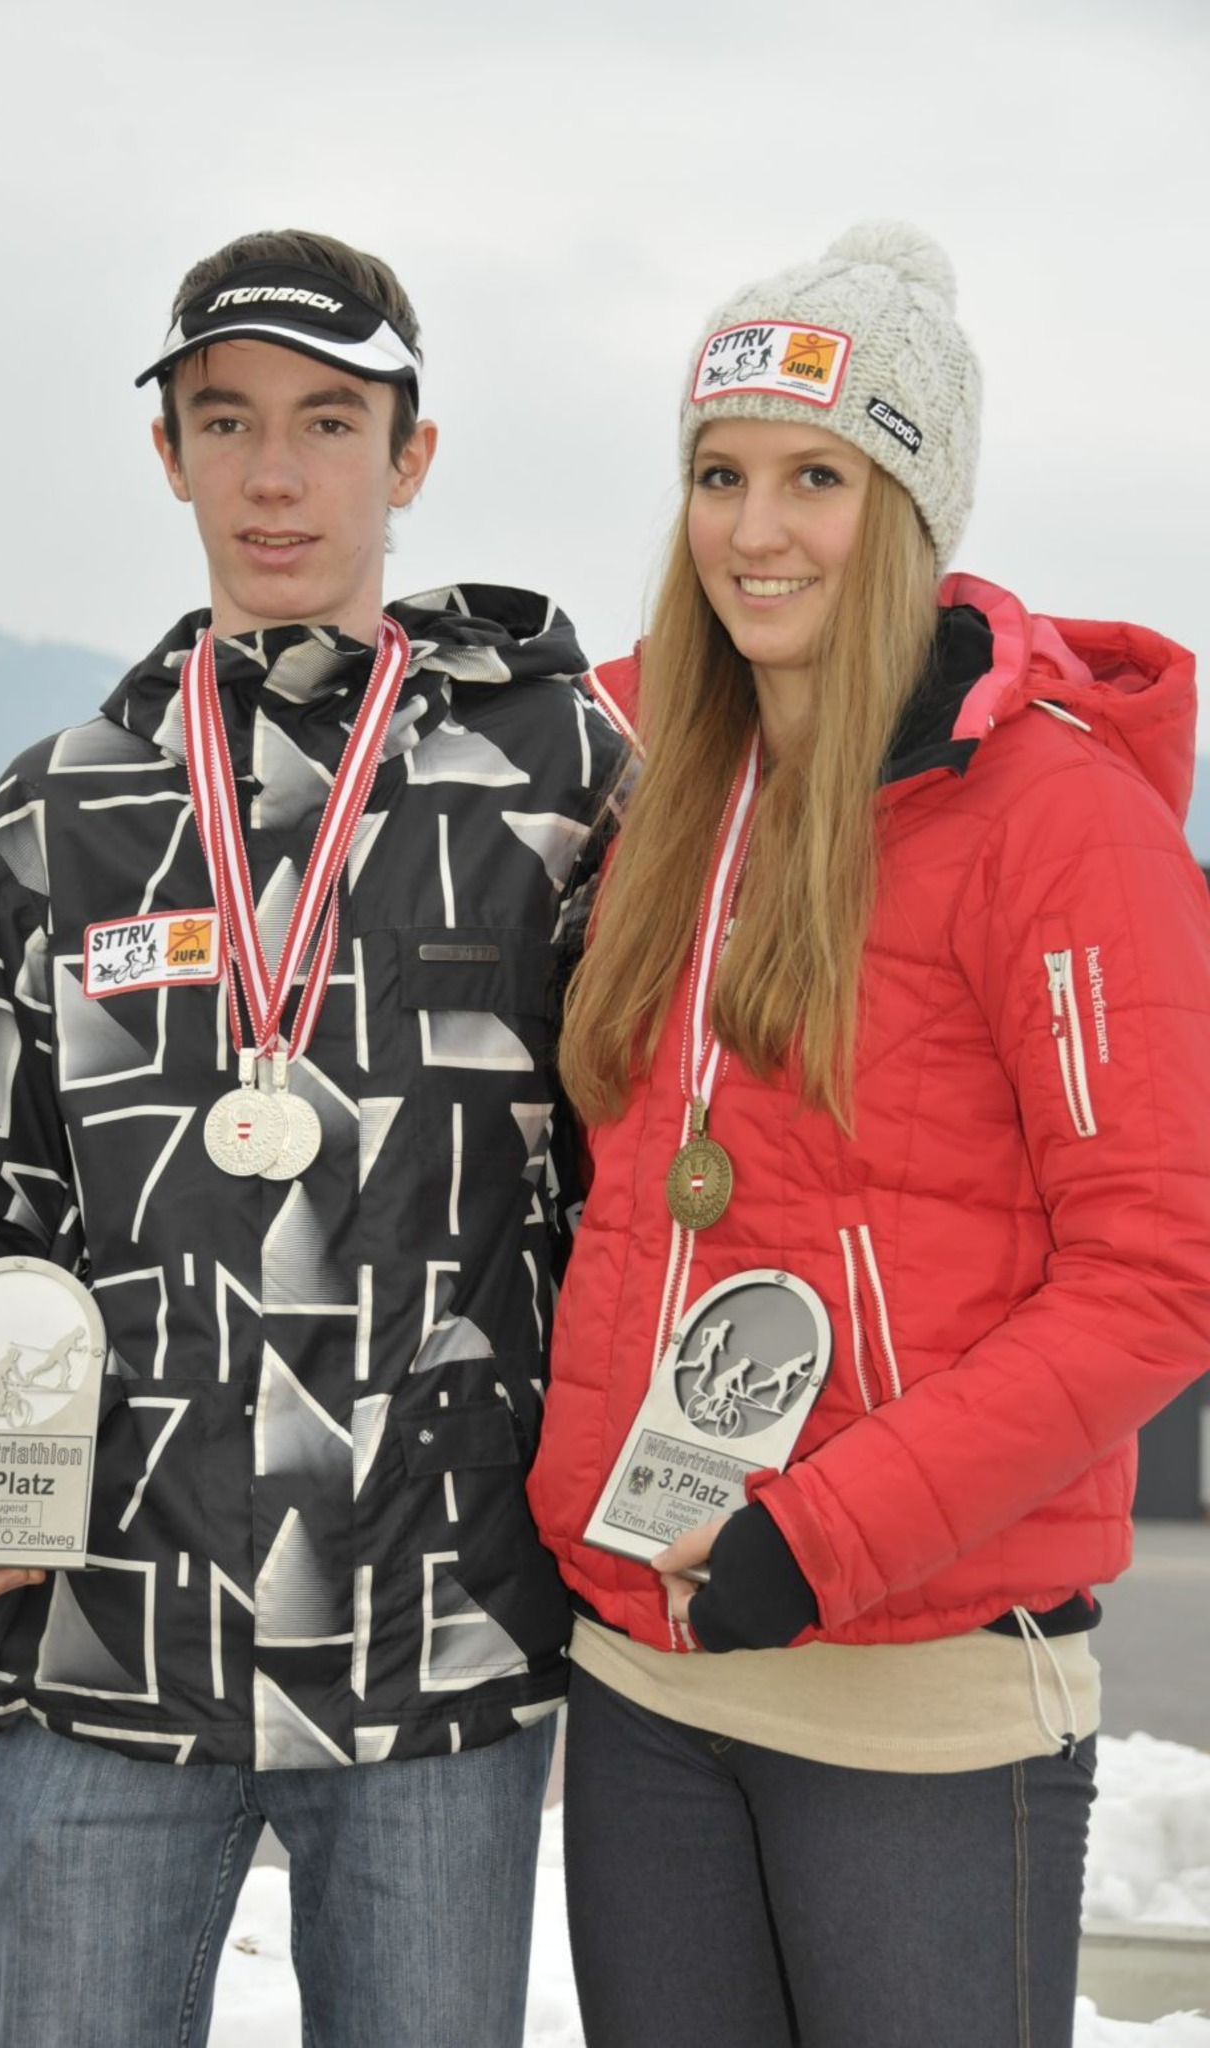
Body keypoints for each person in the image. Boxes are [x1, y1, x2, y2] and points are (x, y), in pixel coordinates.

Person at [0, 226, 620, 2048]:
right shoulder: (52, 817)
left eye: (328, 423)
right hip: (103, 1637)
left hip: (440, 1641)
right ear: (171, 453)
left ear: (409, 456)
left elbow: (632, 1178)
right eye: (228, 422)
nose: (276, 474)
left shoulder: (566, 789)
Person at [527, 221, 1210, 2047]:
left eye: (819, 478)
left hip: (916, 1693)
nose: (756, 530)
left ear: (912, 506)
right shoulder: (654, 788)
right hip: (647, 1671)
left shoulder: (1058, 821)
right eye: (719, 474)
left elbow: (1154, 1275)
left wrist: (815, 1538)